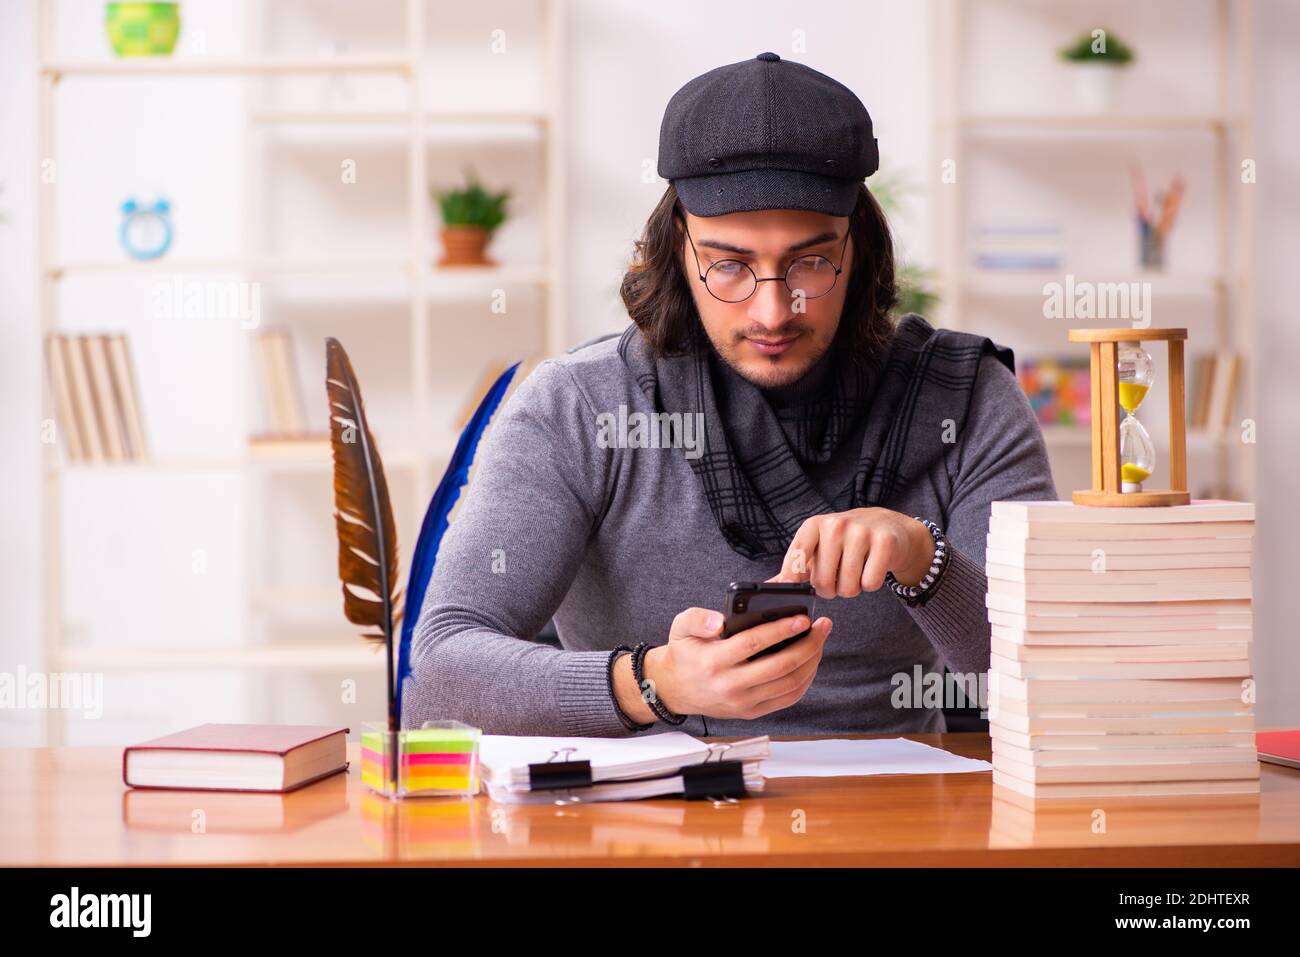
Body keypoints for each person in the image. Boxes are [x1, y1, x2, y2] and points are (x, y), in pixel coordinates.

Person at [402, 52, 1056, 737]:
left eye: (810, 262)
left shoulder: (968, 398)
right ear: (677, 250)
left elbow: (1057, 679)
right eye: (729, 265)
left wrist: (926, 561)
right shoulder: (577, 407)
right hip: (638, 832)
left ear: (857, 249)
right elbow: (436, 678)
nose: (772, 312)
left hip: (897, 822)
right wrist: (655, 681)